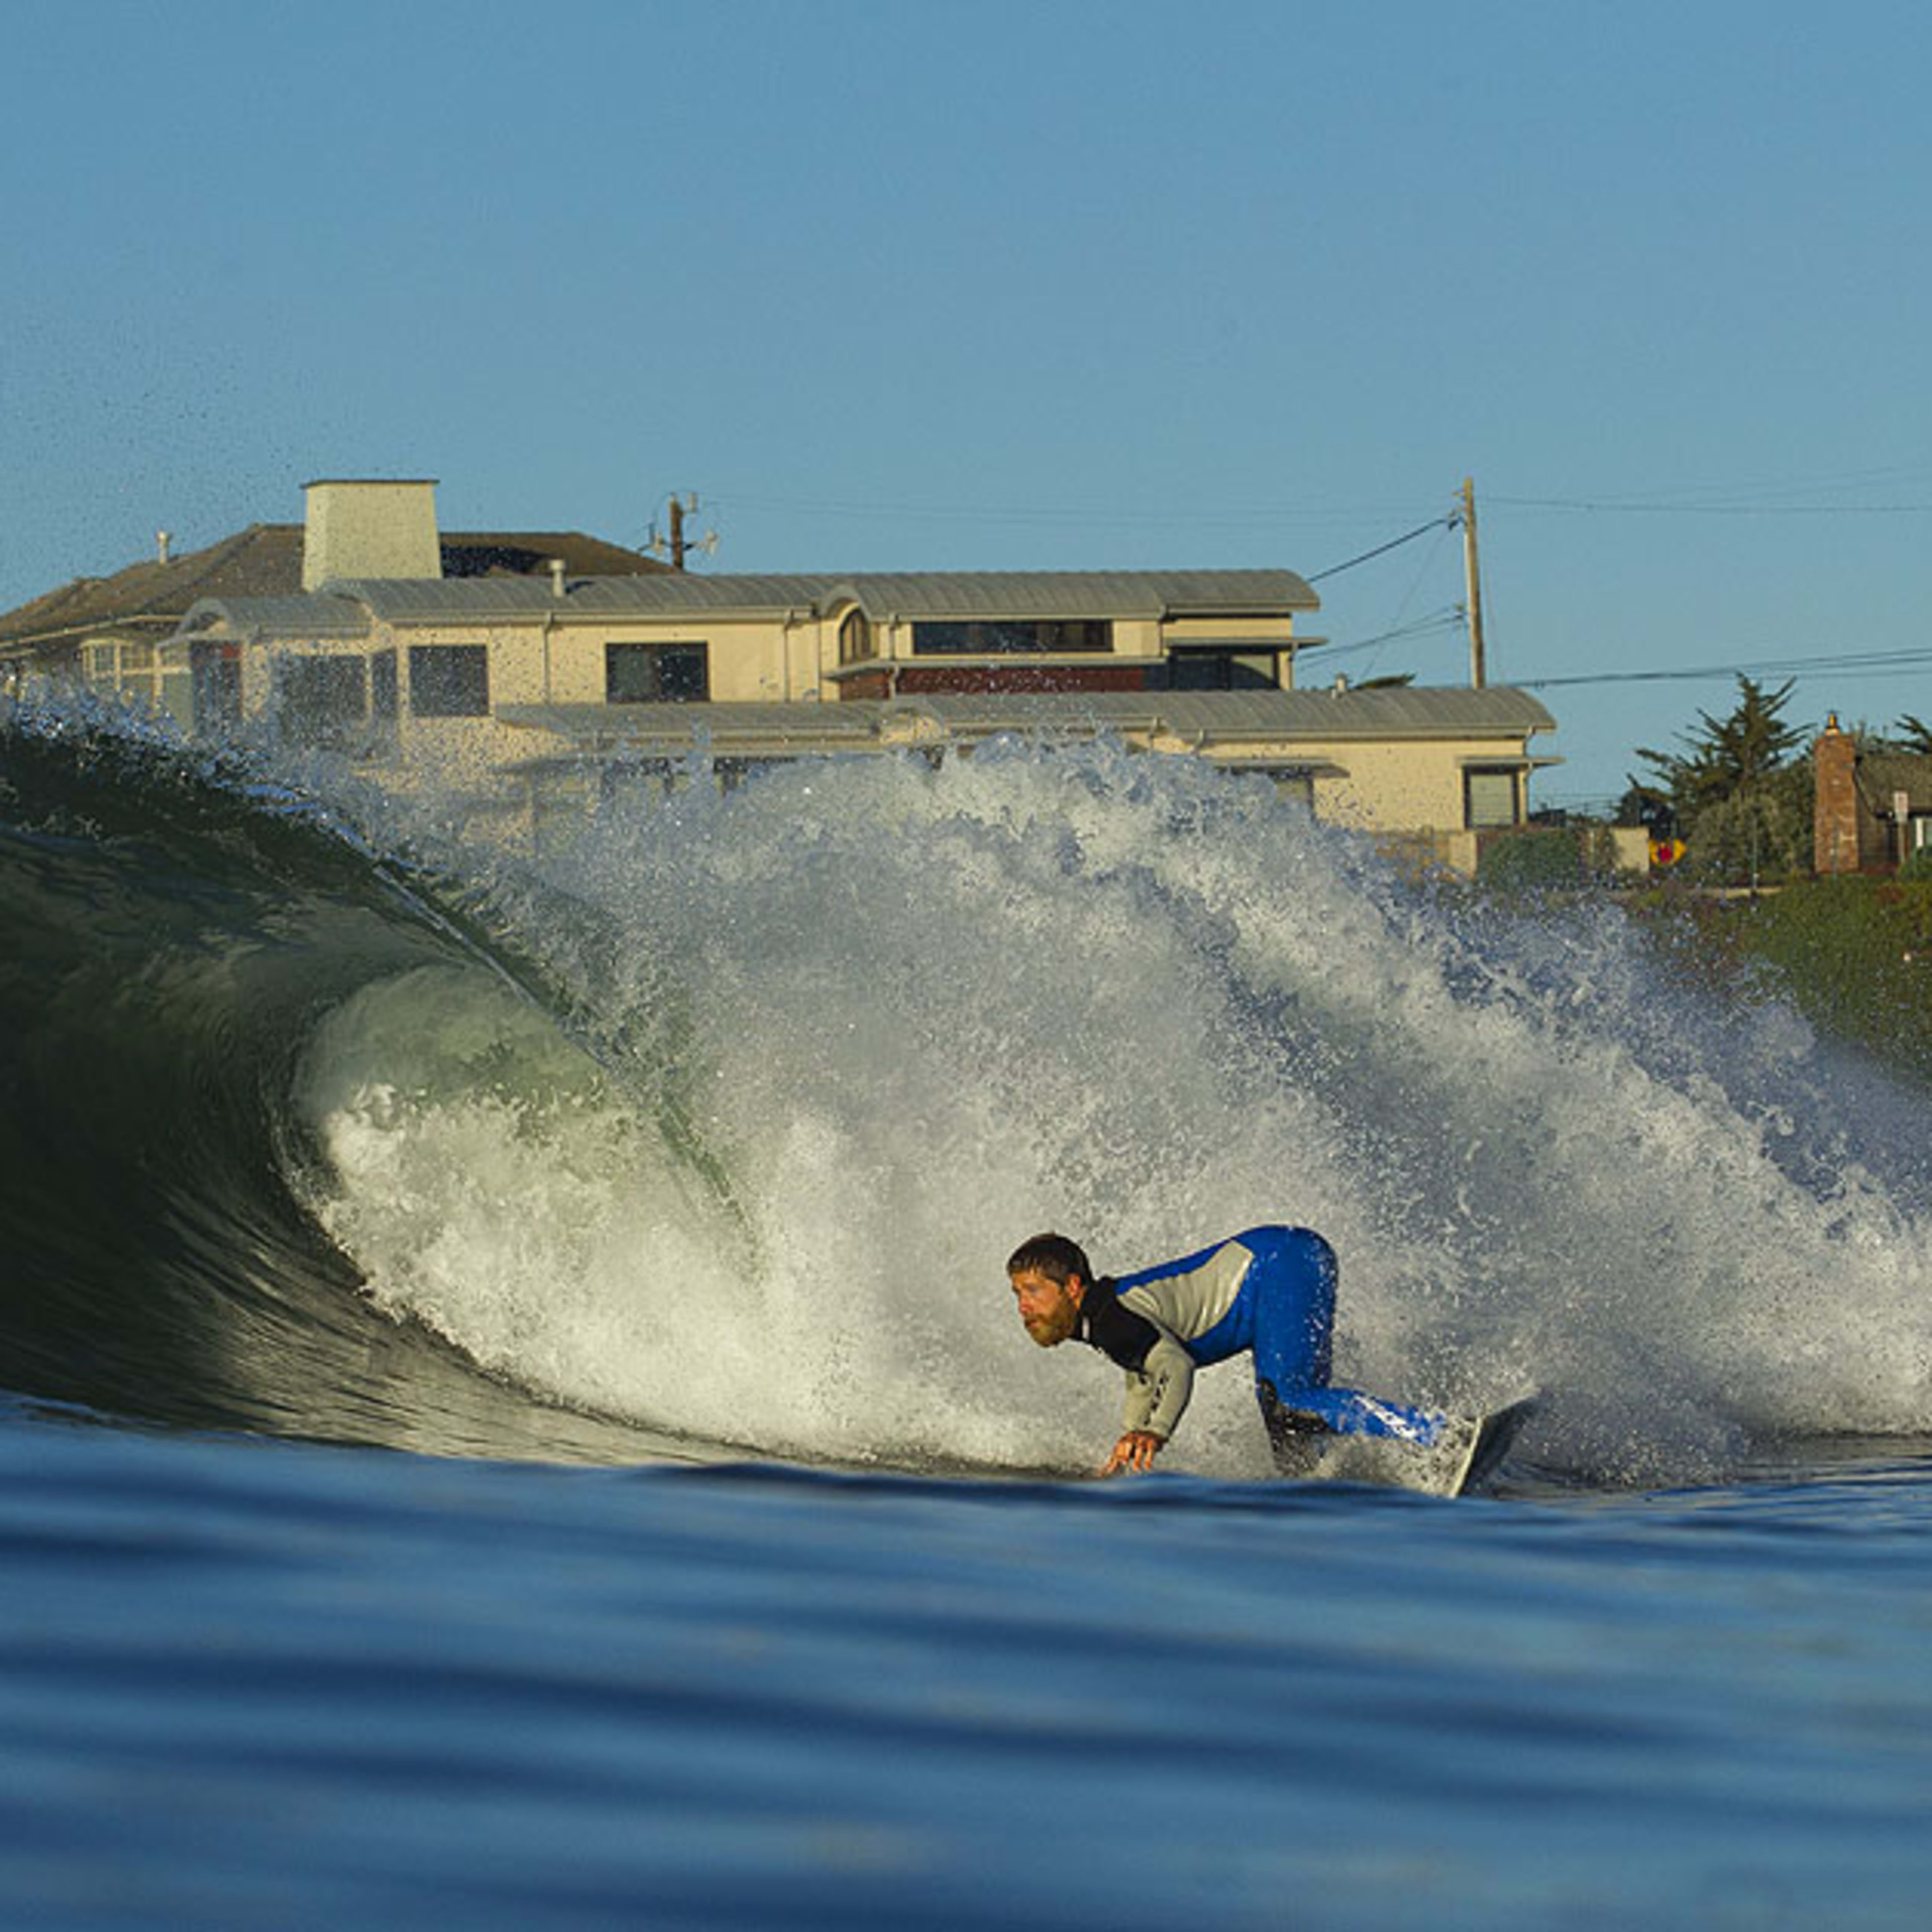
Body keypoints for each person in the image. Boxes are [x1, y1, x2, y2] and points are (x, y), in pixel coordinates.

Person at [1006, 1225, 1449, 1477]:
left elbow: (1175, 1366)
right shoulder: (1105, 1320)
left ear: (1073, 1287)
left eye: (1033, 1291)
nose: (1024, 1307)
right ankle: (1392, 1478)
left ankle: (1440, 1436)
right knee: (1291, 1442)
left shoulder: (1112, 1319)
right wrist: (1126, 1448)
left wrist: (1154, 1434)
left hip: (1279, 1264)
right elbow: (1143, 1376)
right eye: (1018, 1294)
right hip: (1285, 1259)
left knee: (1291, 1402)